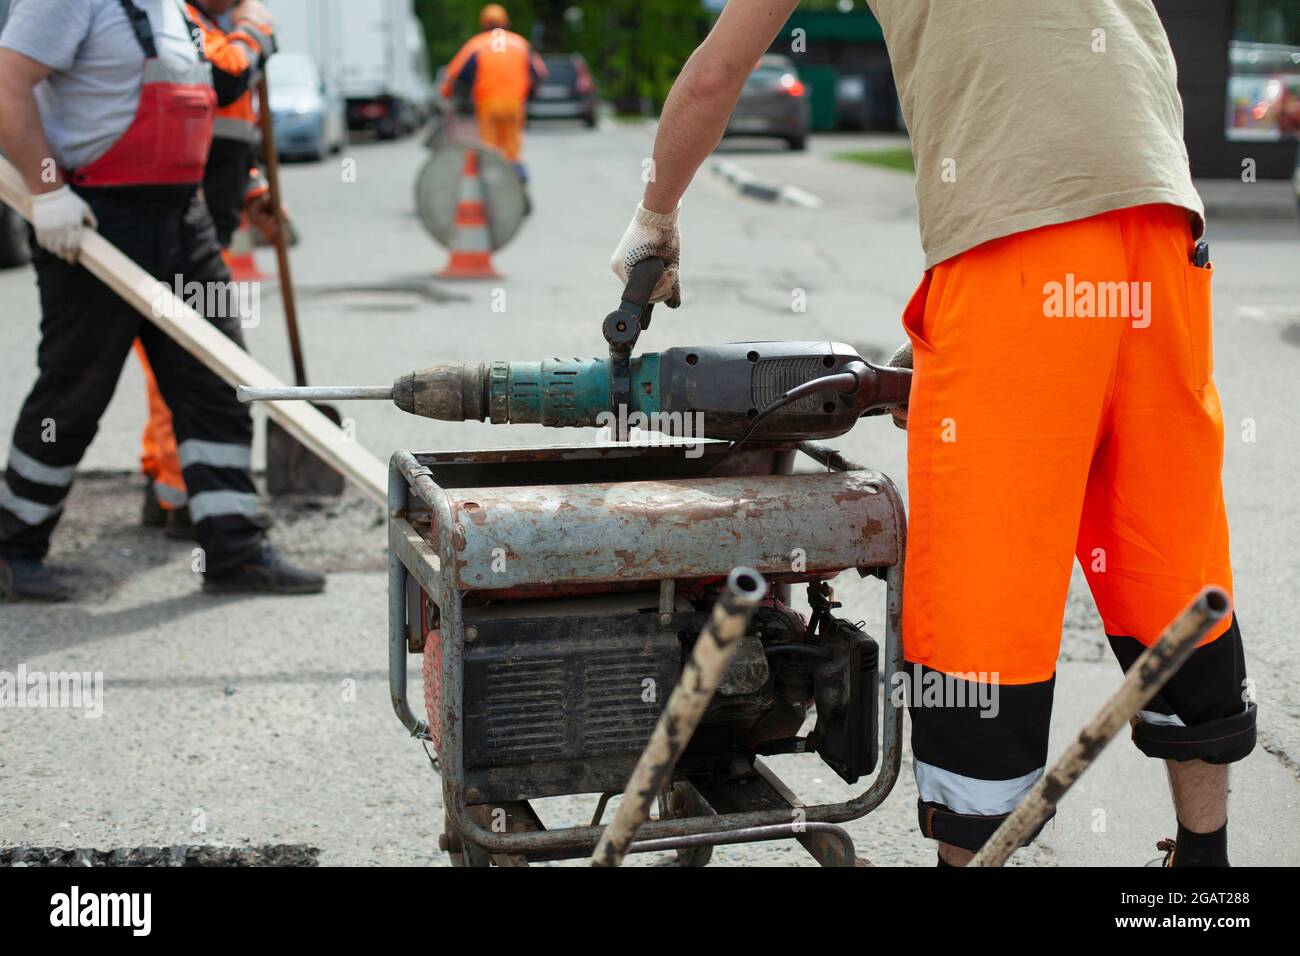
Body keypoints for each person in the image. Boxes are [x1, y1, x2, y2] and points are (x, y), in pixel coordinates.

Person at [609, 0, 1256, 867]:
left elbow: (715, 76)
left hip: (1020, 246)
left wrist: (656, 217)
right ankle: (1204, 875)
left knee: (984, 584)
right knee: (1167, 549)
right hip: (1164, 234)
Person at [0, 0, 324, 600]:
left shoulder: (176, 10)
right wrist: (47, 190)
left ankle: (235, 549)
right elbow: (7, 82)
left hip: (184, 222)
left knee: (218, 385)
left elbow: (202, 106)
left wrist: (247, 183)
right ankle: (12, 546)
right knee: (72, 394)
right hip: (98, 226)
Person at [136, 0, 277, 537]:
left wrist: (256, 188)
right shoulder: (182, 25)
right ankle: (185, 496)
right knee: (191, 362)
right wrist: (255, 35)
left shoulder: (210, 27)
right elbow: (229, 78)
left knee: (175, 363)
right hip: (176, 228)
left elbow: (232, 135)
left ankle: (165, 484)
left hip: (206, 228)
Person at [442, 4, 546, 184]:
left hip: (488, 104)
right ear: (506, 23)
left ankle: (491, 183)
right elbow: (540, 73)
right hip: (514, 104)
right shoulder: (520, 43)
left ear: (483, 24)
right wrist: (531, 93)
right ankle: (517, 178)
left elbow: (455, 75)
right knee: (512, 145)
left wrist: (448, 93)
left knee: (489, 147)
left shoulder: (476, 44)